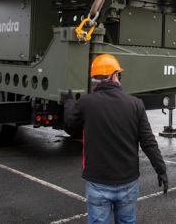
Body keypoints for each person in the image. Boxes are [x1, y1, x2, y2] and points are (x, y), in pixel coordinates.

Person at [63, 54, 167, 224]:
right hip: (127, 181)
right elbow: (148, 142)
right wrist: (161, 170)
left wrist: (68, 102)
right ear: (113, 76)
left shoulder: (86, 102)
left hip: (98, 182)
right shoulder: (135, 104)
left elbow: (70, 123)